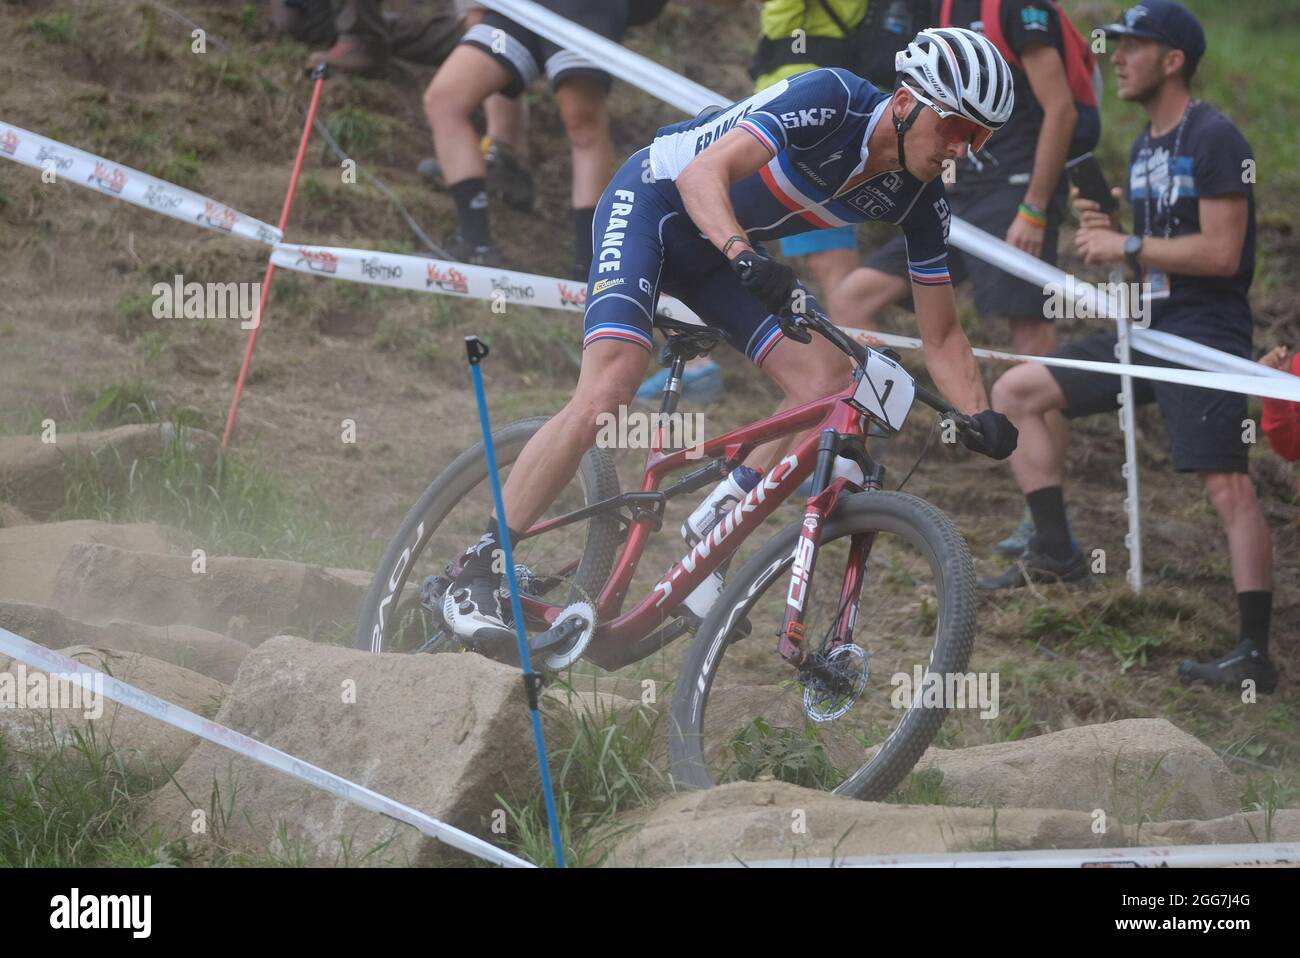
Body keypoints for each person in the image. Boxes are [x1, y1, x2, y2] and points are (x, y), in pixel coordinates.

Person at [440, 27, 1021, 647]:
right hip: (655, 206)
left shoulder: (922, 197)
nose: (961, 147)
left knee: (829, 381)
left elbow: (943, 334)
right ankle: (477, 566)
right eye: (955, 125)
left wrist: (979, 413)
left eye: (978, 137)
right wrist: (744, 253)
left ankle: (723, 512)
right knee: (609, 389)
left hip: (720, 254)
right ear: (906, 103)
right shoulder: (831, 98)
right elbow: (700, 175)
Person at [980, 1, 1278, 693]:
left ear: (1172, 60)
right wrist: (1109, 231)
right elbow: (1155, 259)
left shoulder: (1215, 136)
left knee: (1228, 486)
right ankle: (1055, 548)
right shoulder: (1146, 145)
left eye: (1132, 47)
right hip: (1145, 329)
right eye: (1114, 45)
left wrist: (1129, 242)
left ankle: (1255, 655)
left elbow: (1225, 252)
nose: (1115, 57)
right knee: (1017, 391)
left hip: (1206, 337)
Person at [832, 0, 1091, 555]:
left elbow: (1061, 110)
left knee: (1030, 345)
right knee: (854, 297)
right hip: (952, 190)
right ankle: (858, 459)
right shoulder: (942, 9)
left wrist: (1037, 207)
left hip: (1014, 193)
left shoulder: (1019, 9)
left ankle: (1046, 521)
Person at [423, 0, 631, 274]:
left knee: (582, 123)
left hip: (583, 8)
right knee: (445, 100)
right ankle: (476, 246)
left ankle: (590, 264)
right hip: (520, 9)